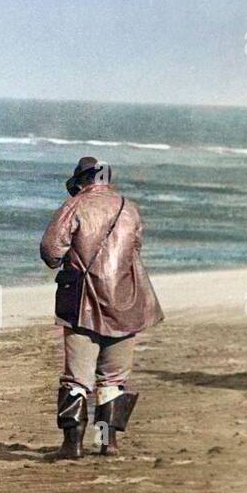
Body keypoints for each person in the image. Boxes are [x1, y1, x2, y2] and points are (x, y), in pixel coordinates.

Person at [40, 157, 163, 459]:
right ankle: (109, 443)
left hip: (84, 303)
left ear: (81, 181)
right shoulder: (129, 208)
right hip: (126, 302)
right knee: (113, 379)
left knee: (77, 378)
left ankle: (72, 446)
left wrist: (65, 261)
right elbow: (135, 248)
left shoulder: (76, 206)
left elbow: (50, 250)